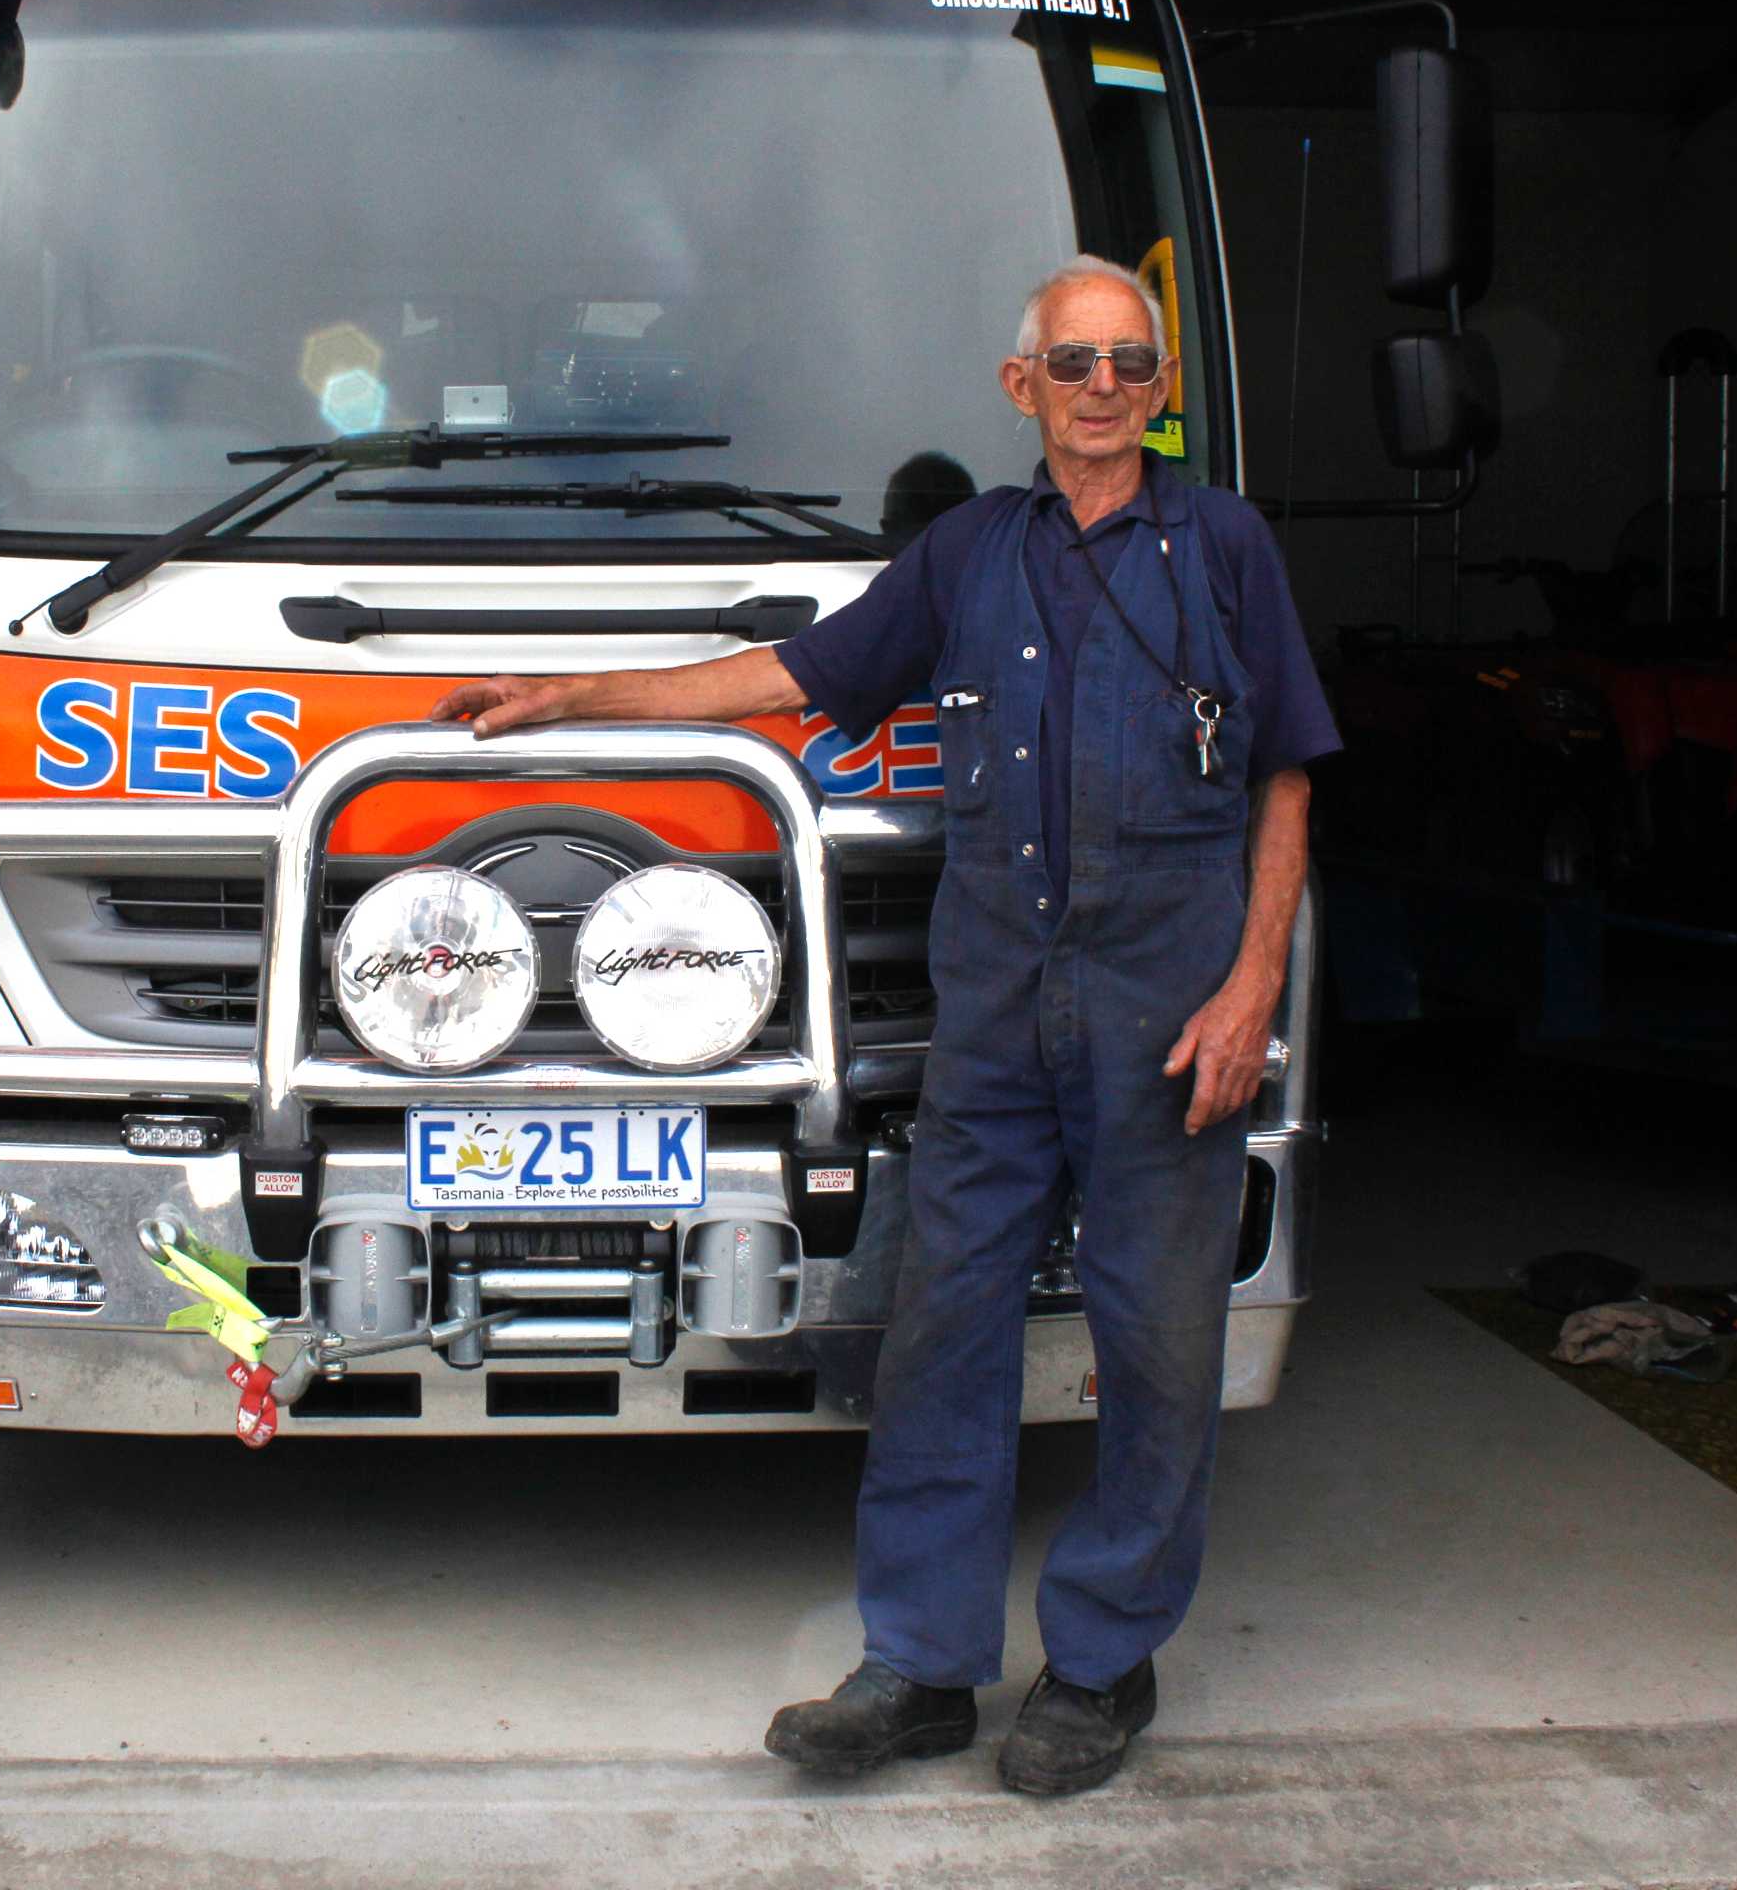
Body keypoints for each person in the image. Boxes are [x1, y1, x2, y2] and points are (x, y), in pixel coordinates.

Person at [428, 254, 1340, 1797]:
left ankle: (1104, 1668)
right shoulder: (969, 554)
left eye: (1130, 362)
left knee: (1161, 1348)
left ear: (1165, 384)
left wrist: (1254, 989)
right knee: (942, 1339)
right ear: (1020, 386)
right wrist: (580, 692)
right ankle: (919, 1668)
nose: (1104, 388)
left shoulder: (1228, 547)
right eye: (1074, 363)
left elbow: (1288, 778)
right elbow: (785, 677)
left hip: (1169, 1023)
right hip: (995, 1027)